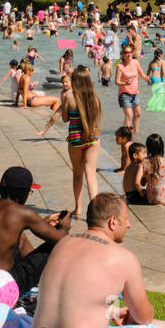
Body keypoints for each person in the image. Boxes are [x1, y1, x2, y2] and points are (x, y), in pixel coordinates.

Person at [23, 192, 165, 328]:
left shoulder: (63, 243)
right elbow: (144, 319)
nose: (128, 224)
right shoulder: (123, 257)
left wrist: (112, 312)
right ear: (112, 222)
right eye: (125, 220)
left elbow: (71, 299)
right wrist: (134, 317)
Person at [0, 165, 70, 291]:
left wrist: (42, 222)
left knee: (20, 237)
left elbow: (4, 230)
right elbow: (61, 238)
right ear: (22, 193)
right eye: (28, 192)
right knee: (53, 246)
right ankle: (57, 284)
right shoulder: (23, 213)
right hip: (0, 287)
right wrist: (64, 225)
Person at [37, 66, 102, 219]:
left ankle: (78, 208)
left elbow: (65, 118)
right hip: (92, 138)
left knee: (77, 175)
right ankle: (95, 211)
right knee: (91, 175)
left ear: (75, 81)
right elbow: (95, 120)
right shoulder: (95, 97)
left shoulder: (69, 96)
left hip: (75, 139)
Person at [114, 44, 149, 137]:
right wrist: (125, 83)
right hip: (124, 94)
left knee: (137, 114)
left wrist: (148, 79)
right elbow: (116, 81)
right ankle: (124, 137)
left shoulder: (135, 62)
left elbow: (142, 74)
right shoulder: (120, 66)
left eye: (130, 52)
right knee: (129, 115)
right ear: (122, 55)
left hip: (135, 93)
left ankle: (136, 134)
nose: (128, 54)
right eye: (126, 53)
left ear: (132, 53)